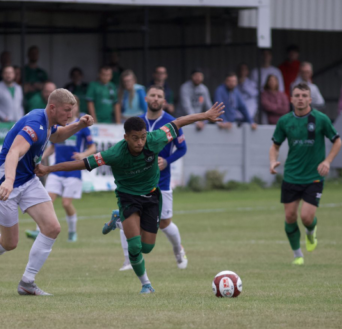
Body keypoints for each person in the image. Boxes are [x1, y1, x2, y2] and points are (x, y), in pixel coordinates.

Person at [35, 102, 225, 293]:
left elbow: (179, 122)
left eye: (142, 137)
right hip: (128, 198)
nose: (140, 143)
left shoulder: (155, 139)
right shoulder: (115, 153)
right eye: (135, 139)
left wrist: (206, 115)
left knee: (147, 248)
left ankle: (118, 220)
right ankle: (146, 284)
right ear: (126, 137)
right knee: (134, 246)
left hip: (152, 197)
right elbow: (82, 163)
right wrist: (49, 169)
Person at [0, 89, 95, 296]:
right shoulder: (35, 125)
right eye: (67, 111)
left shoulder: (47, 122)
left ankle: (27, 282)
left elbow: (56, 136)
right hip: (3, 183)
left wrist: (79, 125)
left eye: (72, 111)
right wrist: (10, 181)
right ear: (52, 107)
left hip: (28, 180)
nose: (70, 115)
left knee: (52, 228)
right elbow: (14, 152)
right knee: (10, 243)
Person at [102, 85, 190, 271]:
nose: (156, 98)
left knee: (165, 223)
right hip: (135, 183)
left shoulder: (170, 122)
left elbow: (182, 149)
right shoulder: (137, 122)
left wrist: (166, 161)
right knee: (129, 215)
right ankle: (128, 260)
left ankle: (178, 249)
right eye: (153, 95)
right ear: (146, 99)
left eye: (160, 96)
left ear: (164, 101)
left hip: (161, 182)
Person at [269, 83, 342, 266]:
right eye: (297, 95)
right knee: (290, 217)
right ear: (291, 99)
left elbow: (337, 142)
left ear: (310, 99)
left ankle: (311, 231)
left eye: (304, 95)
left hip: (313, 177)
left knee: (306, 217)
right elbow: (275, 146)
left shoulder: (321, 119)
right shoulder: (284, 121)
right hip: (291, 176)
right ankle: (297, 255)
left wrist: (327, 161)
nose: (300, 98)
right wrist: (272, 161)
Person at [26, 102, 96, 242]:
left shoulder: (82, 127)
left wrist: (83, 155)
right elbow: (52, 147)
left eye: (73, 106)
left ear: (76, 108)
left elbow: (92, 147)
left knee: (66, 203)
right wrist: (41, 157)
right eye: (67, 107)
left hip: (72, 170)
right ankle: (39, 231)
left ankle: (72, 232)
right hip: (56, 170)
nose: (70, 110)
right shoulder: (59, 125)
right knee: (47, 200)